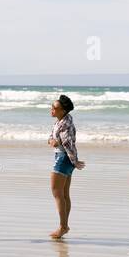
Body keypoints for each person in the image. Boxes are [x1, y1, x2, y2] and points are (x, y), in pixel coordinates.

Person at [48, 94, 85, 239]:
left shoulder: (65, 123)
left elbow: (68, 143)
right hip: (64, 158)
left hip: (63, 158)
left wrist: (74, 161)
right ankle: (64, 226)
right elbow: (51, 138)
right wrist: (52, 141)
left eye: (55, 108)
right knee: (64, 194)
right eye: (52, 106)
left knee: (57, 192)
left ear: (63, 110)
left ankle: (63, 226)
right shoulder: (61, 121)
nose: (52, 109)